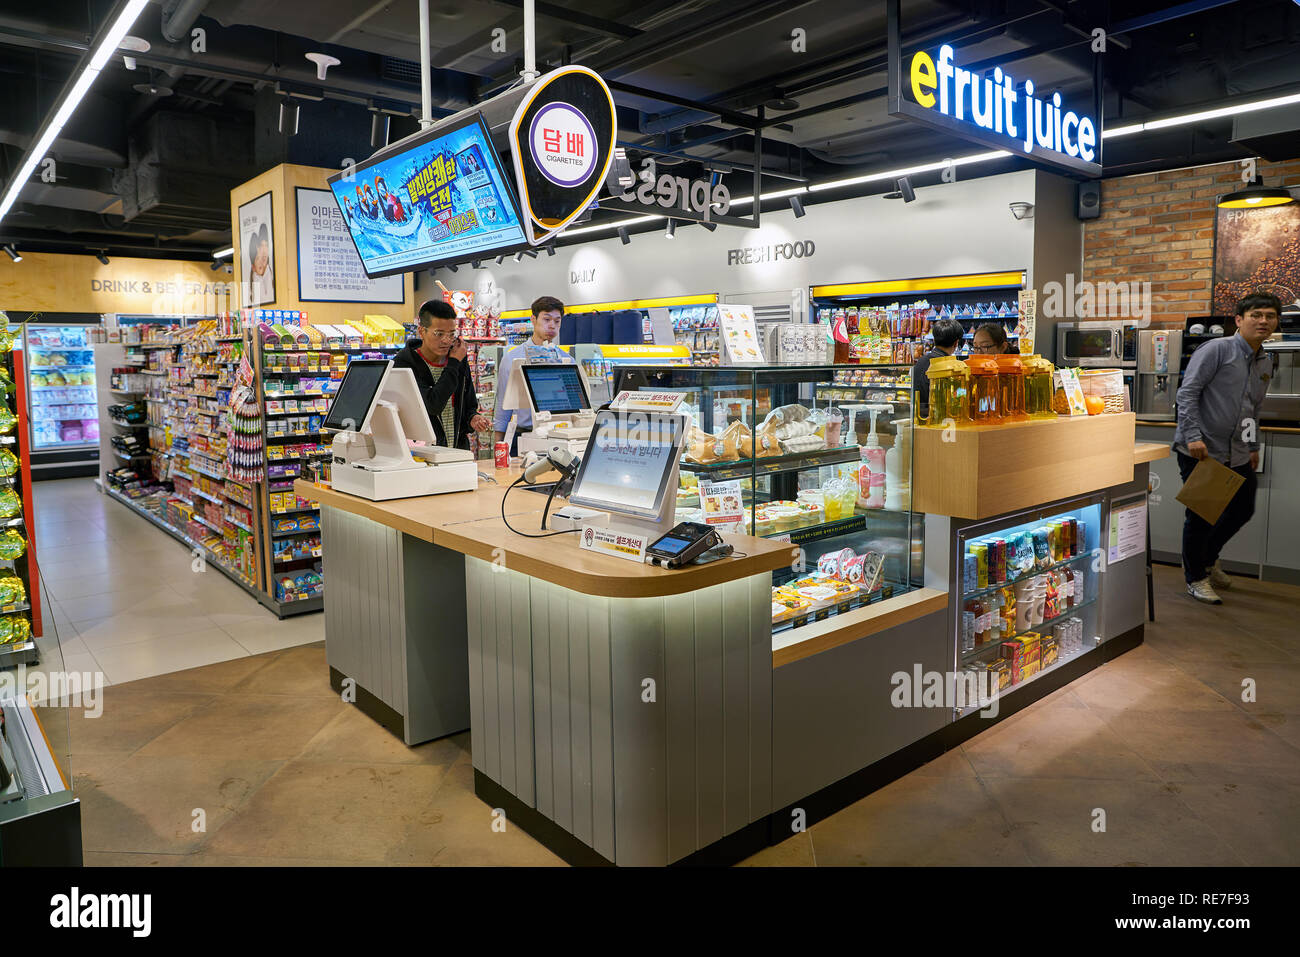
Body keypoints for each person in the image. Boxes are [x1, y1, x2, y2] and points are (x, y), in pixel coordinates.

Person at [1172, 291, 1279, 604]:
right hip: (1202, 449)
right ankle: (1195, 577)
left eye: (1270, 316)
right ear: (1238, 320)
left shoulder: (1264, 361)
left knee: (1243, 508)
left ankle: (1207, 559)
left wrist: (1252, 443)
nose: (1263, 321)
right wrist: (1192, 436)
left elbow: (1252, 409)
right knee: (1202, 515)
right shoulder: (1216, 349)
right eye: (1256, 315)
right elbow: (1187, 393)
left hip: (1238, 451)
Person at [392, 299, 491, 450]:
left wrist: (473, 418)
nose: (446, 340)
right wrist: (453, 364)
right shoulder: (405, 363)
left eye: (452, 334)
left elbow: (468, 405)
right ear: (422, 331)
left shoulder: (458, 359)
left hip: (457, 451)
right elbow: (432, 405)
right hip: (423, 454)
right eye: (439, 334)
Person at [493, 295, 572, 455]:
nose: (552, 326)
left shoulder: (567, 360)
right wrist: (498, 448)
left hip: (558, 437)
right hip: (521, 436)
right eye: (546, 319)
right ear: (533, 319)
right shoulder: (512, 359)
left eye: (557, 321)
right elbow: (503, 406)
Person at [912, 317, 965, 420]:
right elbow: (955, 397)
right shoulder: (949, 366)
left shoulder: (920, 362)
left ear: (935, 340)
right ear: (956, 343)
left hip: (918, 418)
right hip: (939, 419)